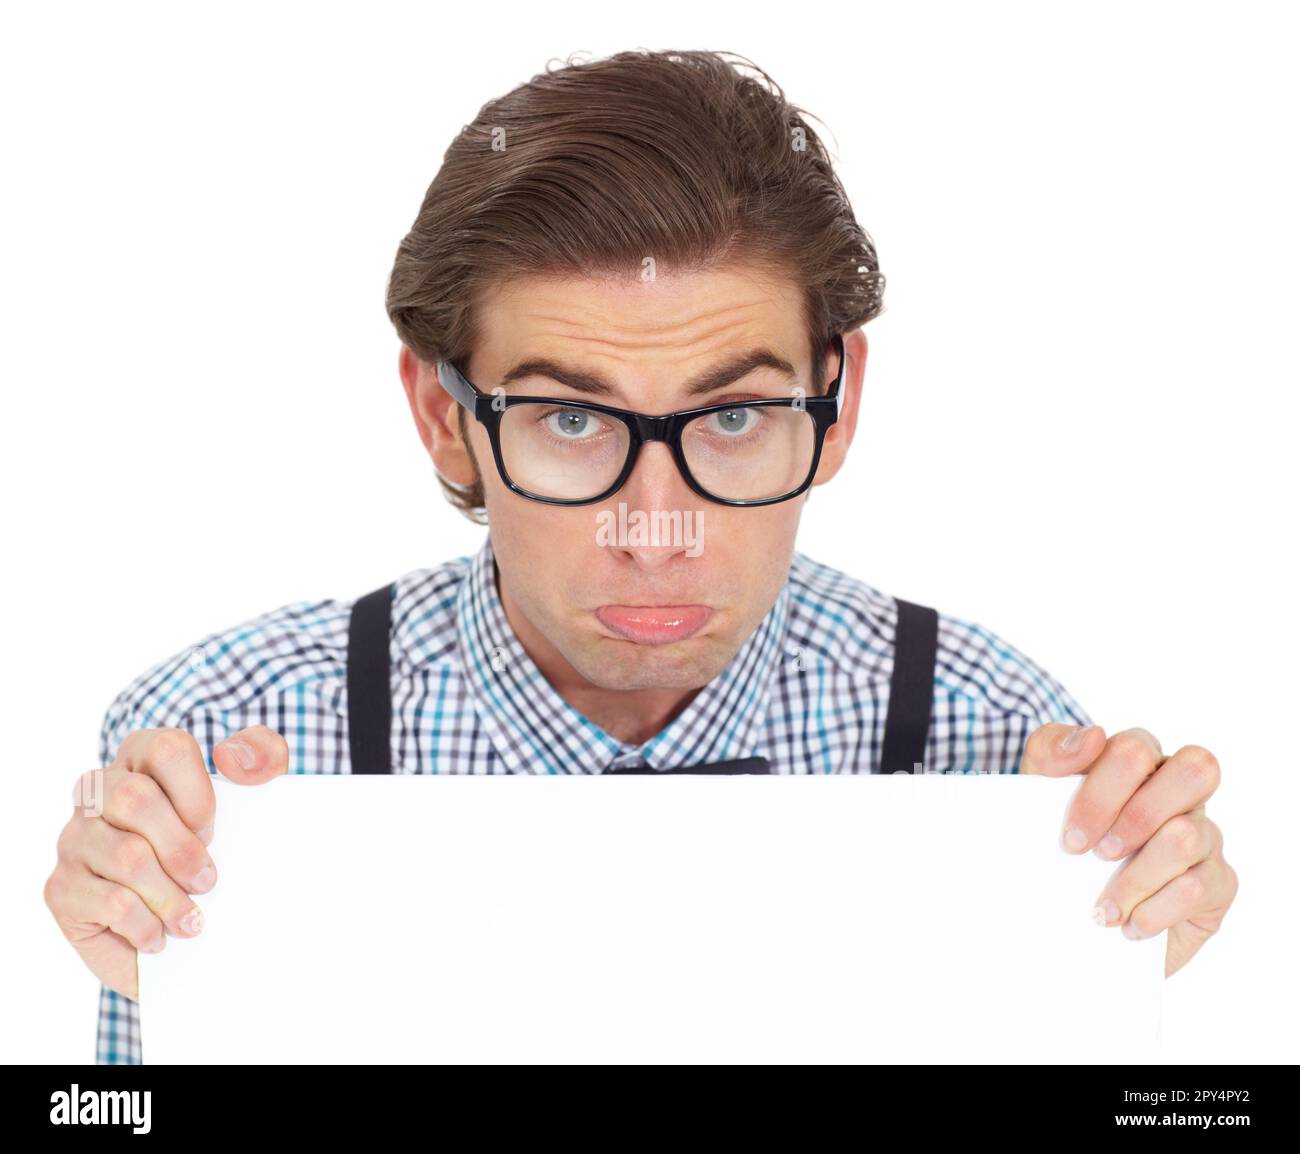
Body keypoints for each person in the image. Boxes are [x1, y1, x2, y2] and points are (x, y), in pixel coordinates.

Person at [44, 49, 1237, 1065]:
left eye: (730, 416)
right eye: (570, 419)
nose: (657, 526)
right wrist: (201, 1015)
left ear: (836, 399)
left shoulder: (1000, 750)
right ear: (444, 416)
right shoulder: (217, 744)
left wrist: (1120, 1017)